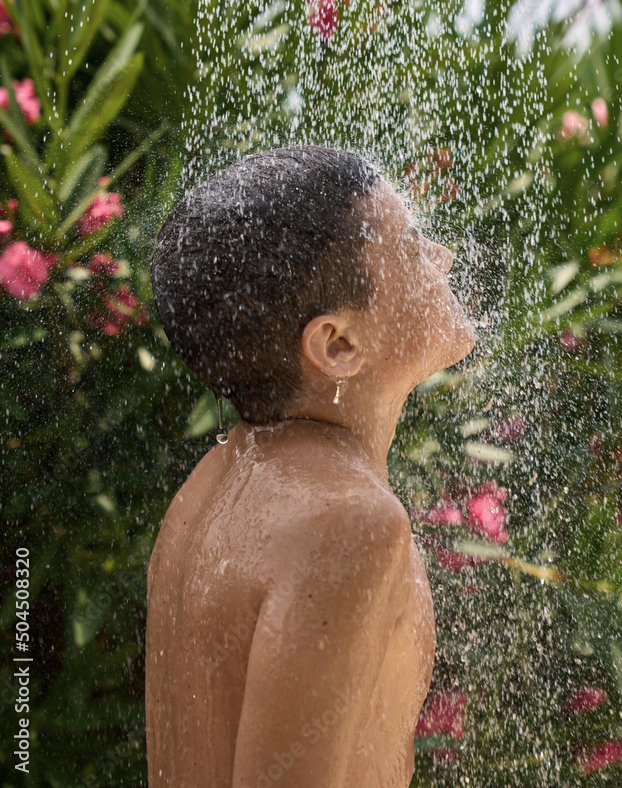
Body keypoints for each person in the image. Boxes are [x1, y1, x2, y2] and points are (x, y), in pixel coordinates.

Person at [146, 145, 476, 788]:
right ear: (338, 344)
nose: (443, 256)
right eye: (411, 246)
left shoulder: (210, 483)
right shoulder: (349, 521)